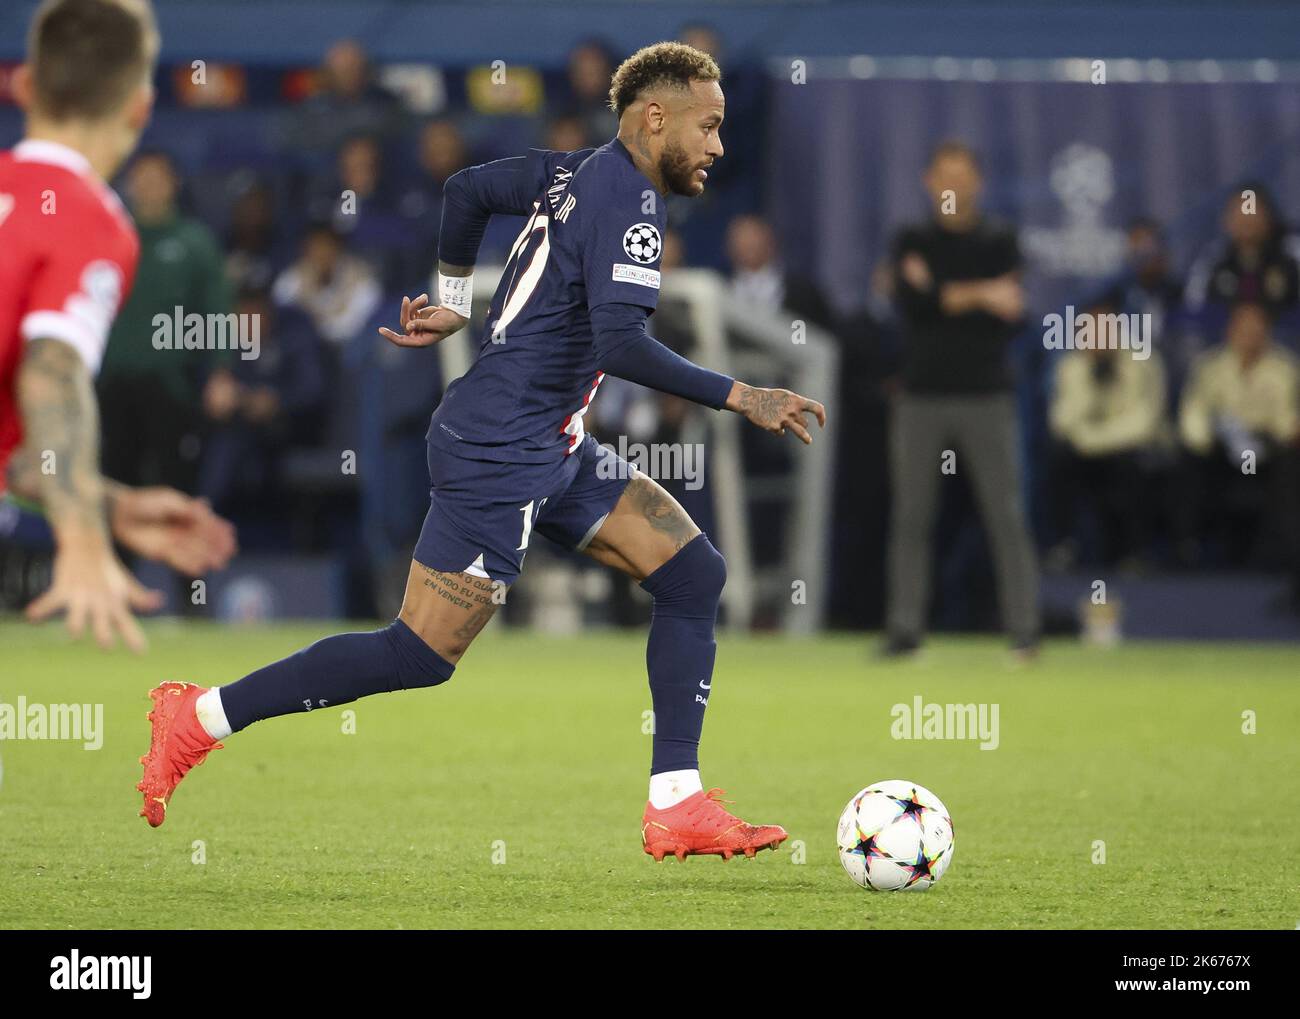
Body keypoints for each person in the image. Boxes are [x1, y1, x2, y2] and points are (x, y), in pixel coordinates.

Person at [138, 42, 826, 861]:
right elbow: (621, 340)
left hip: (550, 441)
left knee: (691, 572)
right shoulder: (632, 203)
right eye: (708, 126)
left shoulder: (575, 169)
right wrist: (741, 392)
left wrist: (456, 301)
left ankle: (675, 800)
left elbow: (467, 191)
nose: (718, 146)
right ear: (655, 116)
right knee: (417, 654)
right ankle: (200, 716)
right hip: (497, 449)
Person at [0, 0, 235, 653]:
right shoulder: (88, 220)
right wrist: (81, 540)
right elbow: (53, 369)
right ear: (140, 106)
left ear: (23, 86)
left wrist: (109, 504)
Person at [883, 141, 1040, 658]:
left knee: (1005, 515)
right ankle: (905, 630)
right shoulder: (911, 238)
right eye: (944, 175)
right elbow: (913, 305)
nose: (953, 186)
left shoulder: (1001, 240)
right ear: (929, 182)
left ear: (978, 183)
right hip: (921, 396)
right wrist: (980, 294)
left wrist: (943, 292)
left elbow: (1011, 305)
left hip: (986, 396)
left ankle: (1024, 631)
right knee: (912, 516)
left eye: (962, 175)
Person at [98, 148, 233, 495]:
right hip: (112, 381)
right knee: (114, 480)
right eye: (141, 178)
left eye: (157, 178)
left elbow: (217, 309)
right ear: (129, 183)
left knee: (177, 480)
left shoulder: (195, 242)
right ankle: (116, 552)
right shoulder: (108, 237)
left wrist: (221, 372)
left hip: (172, 383)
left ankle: (178, 549)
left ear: (174, 184)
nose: (149, 186)